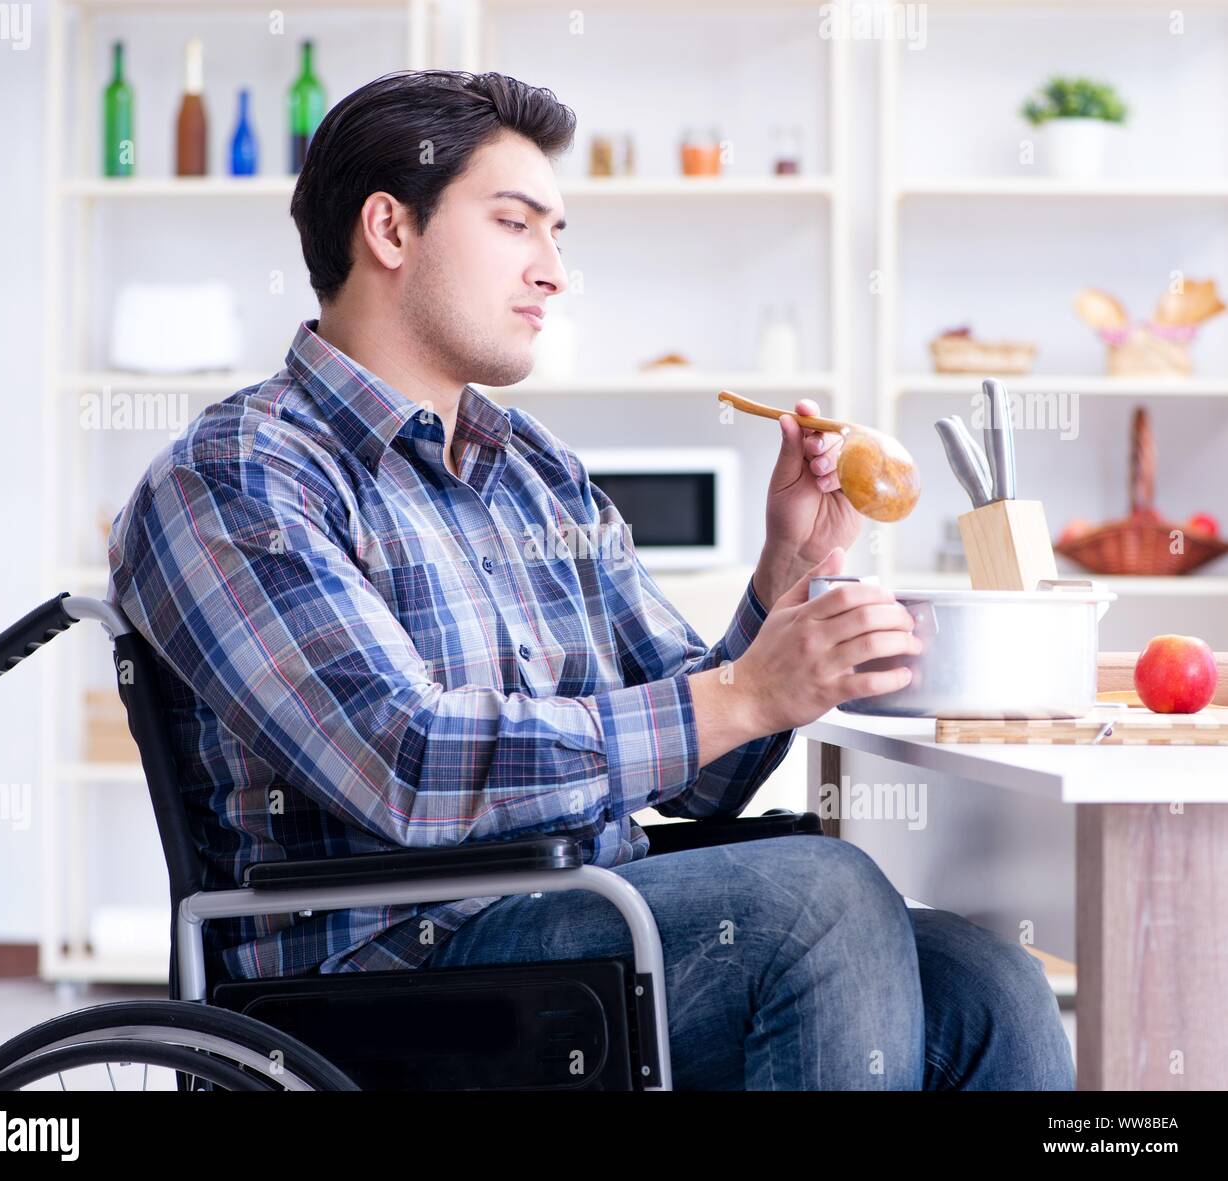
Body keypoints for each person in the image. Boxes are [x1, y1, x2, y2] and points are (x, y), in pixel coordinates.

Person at [107, 69, 1075, 1090]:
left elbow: (705, 772)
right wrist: (737, 693)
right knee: (816, 897)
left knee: (989, 980)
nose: (553, 272)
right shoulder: (238, 477)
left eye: (557, 234)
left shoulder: (534, 473)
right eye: (517, 225)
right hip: (381, 984)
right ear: (389, 230)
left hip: (582, 917)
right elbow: (404, 764)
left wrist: (788, 571)